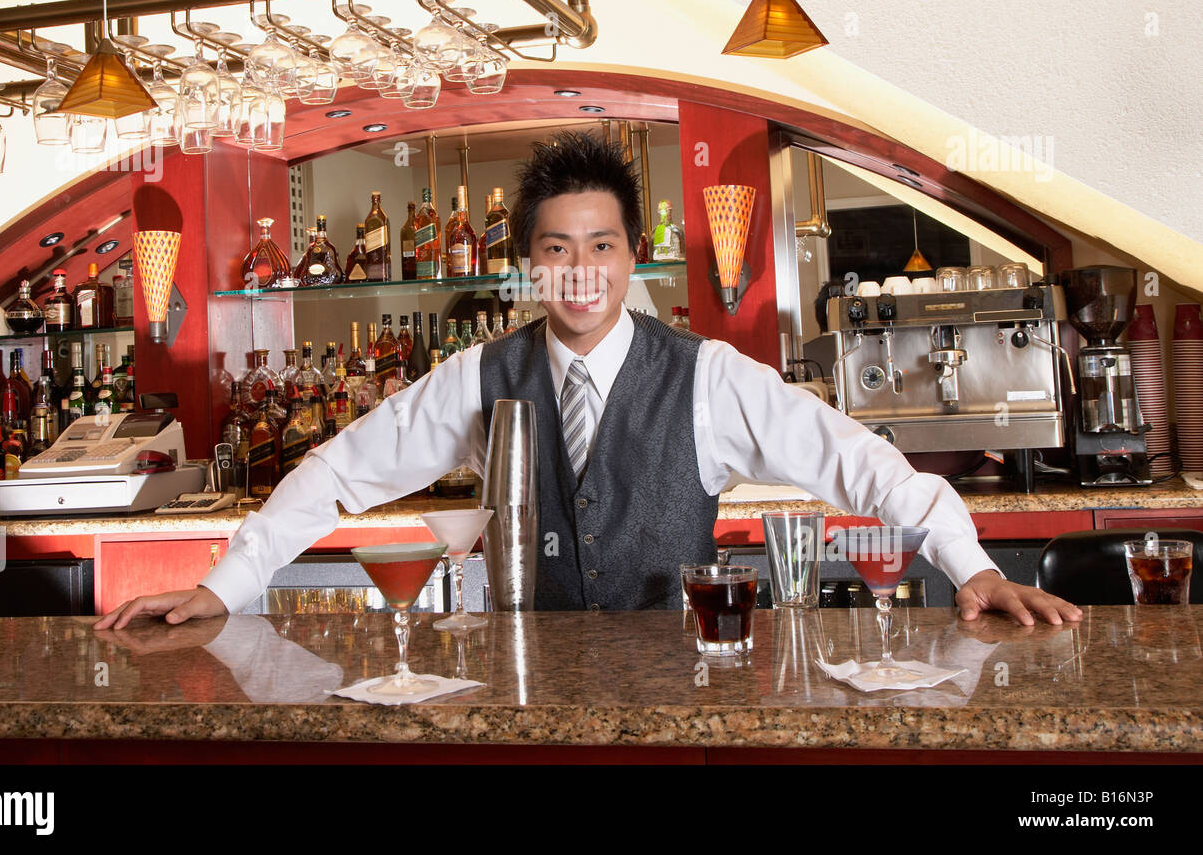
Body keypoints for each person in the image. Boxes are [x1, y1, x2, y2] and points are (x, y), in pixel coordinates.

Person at [97, 131, 1081, 629]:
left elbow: (866, 466)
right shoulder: (480, 373)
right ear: (528, 262)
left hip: (677, 695)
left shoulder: (708, 378)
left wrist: (973, 565)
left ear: (628, 256)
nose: (580, 268)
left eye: (600, 244)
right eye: (556, 247)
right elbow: (336, 470)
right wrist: (225, 587)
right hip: (522, 695)